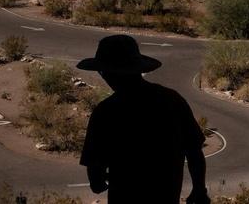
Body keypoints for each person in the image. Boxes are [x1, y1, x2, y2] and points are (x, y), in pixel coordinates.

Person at [78, 34, 209, 204]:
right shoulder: (172, 100)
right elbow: (194, 151)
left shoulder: (106, 111)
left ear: (106, 72)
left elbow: (96, 177)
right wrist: (199, 189)